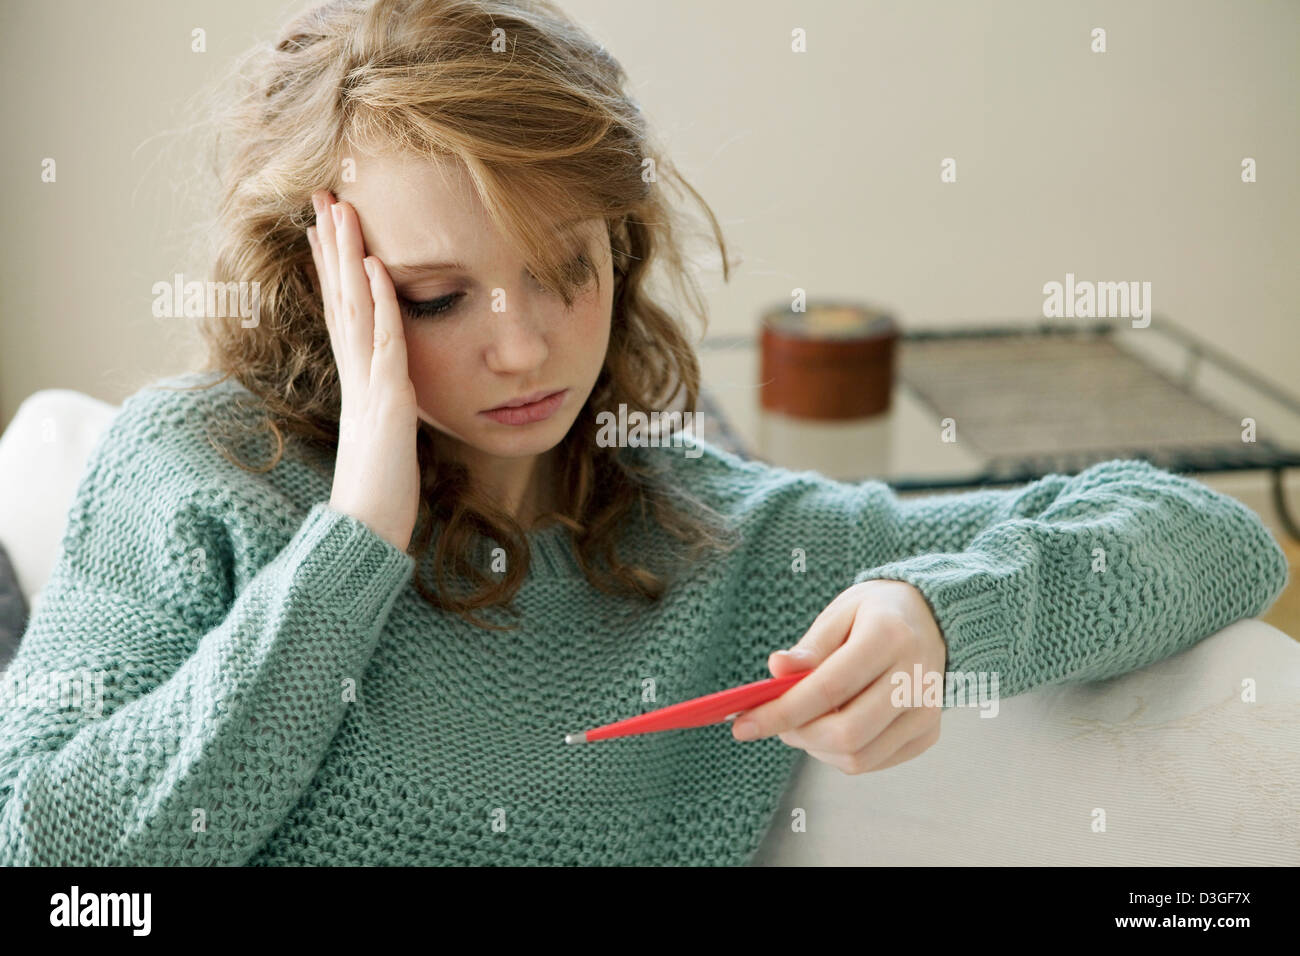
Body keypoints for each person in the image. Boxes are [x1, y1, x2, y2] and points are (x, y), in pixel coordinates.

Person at [0, 0, 1288, 866]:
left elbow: (1216, 537)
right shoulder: (194, 467)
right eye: (438, 296)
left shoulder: (712, 533)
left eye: (568, 269)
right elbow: (47, 855)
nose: (523, 346)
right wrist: (354, 541)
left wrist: (947, 620)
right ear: (319, 283)